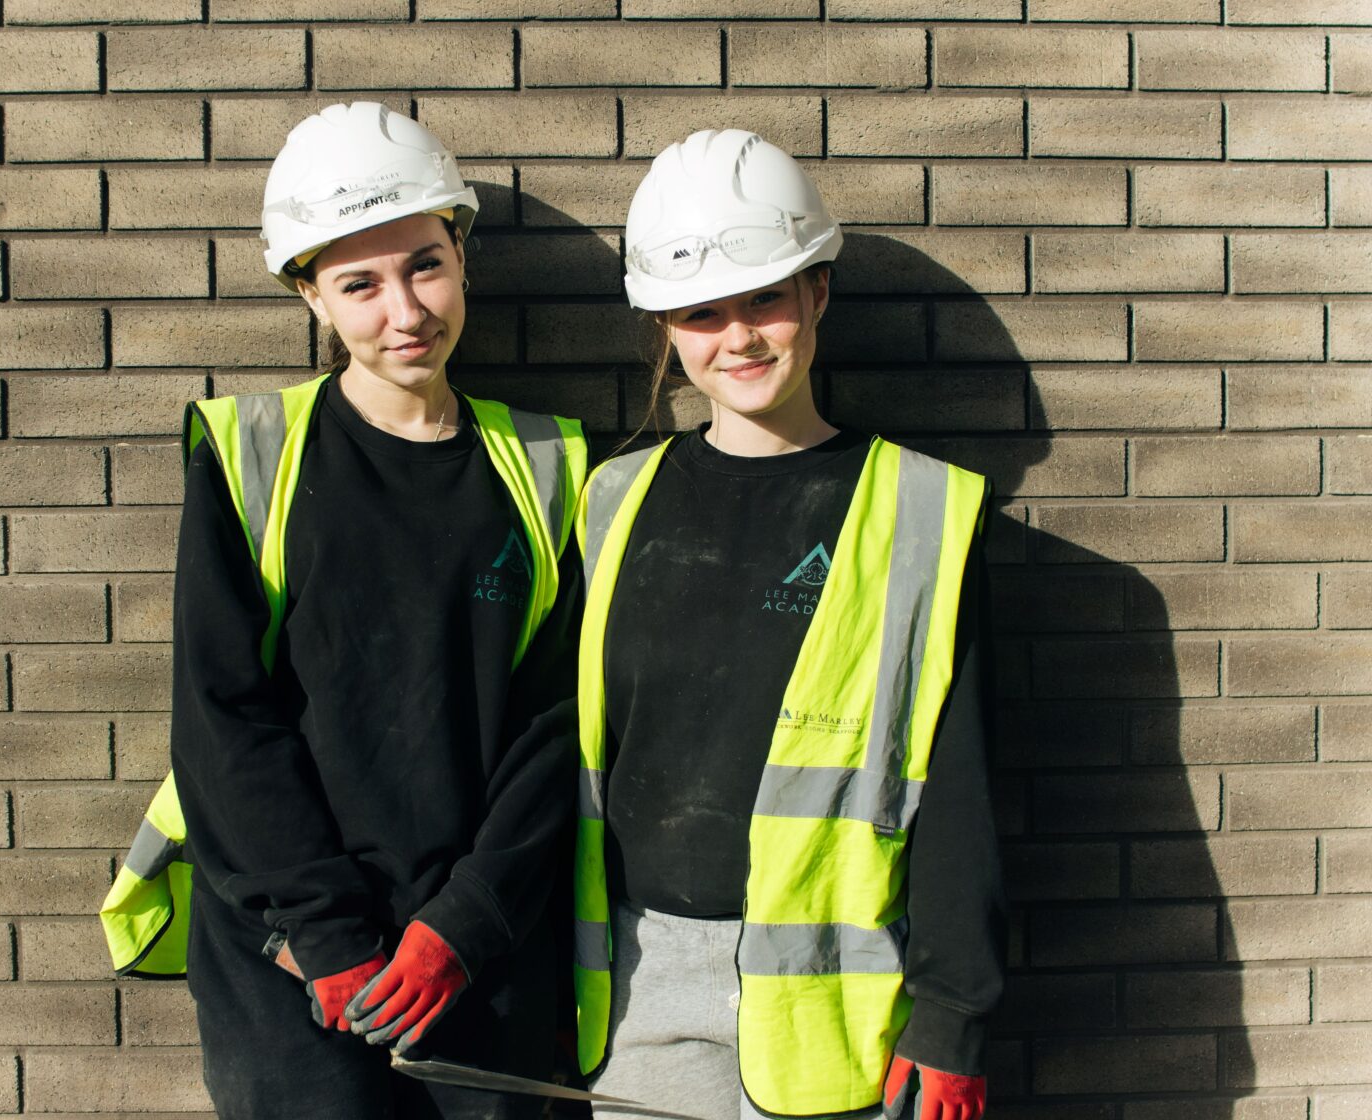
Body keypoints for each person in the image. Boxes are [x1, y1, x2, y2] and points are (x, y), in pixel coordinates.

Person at [99, 102, 588, 1119]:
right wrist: (325, 938)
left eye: (424, 264)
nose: (404, 311)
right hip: (292, 966)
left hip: (481, 949)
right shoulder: (250, 452)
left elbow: (560, 725)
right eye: (358, 284)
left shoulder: (549, 465)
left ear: (462, 253)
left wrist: (464, 922)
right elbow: (222, 716)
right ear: (310, 295)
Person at [569, 130, 1005, 1120]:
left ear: (816, 292)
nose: (741, 337)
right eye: (703, 313)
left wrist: (951, 1016)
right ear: (666, 329)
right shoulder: (611, 501)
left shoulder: (923, 510)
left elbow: (963, 788)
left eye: (765, 297)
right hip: (637, 985)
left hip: (841, 998)